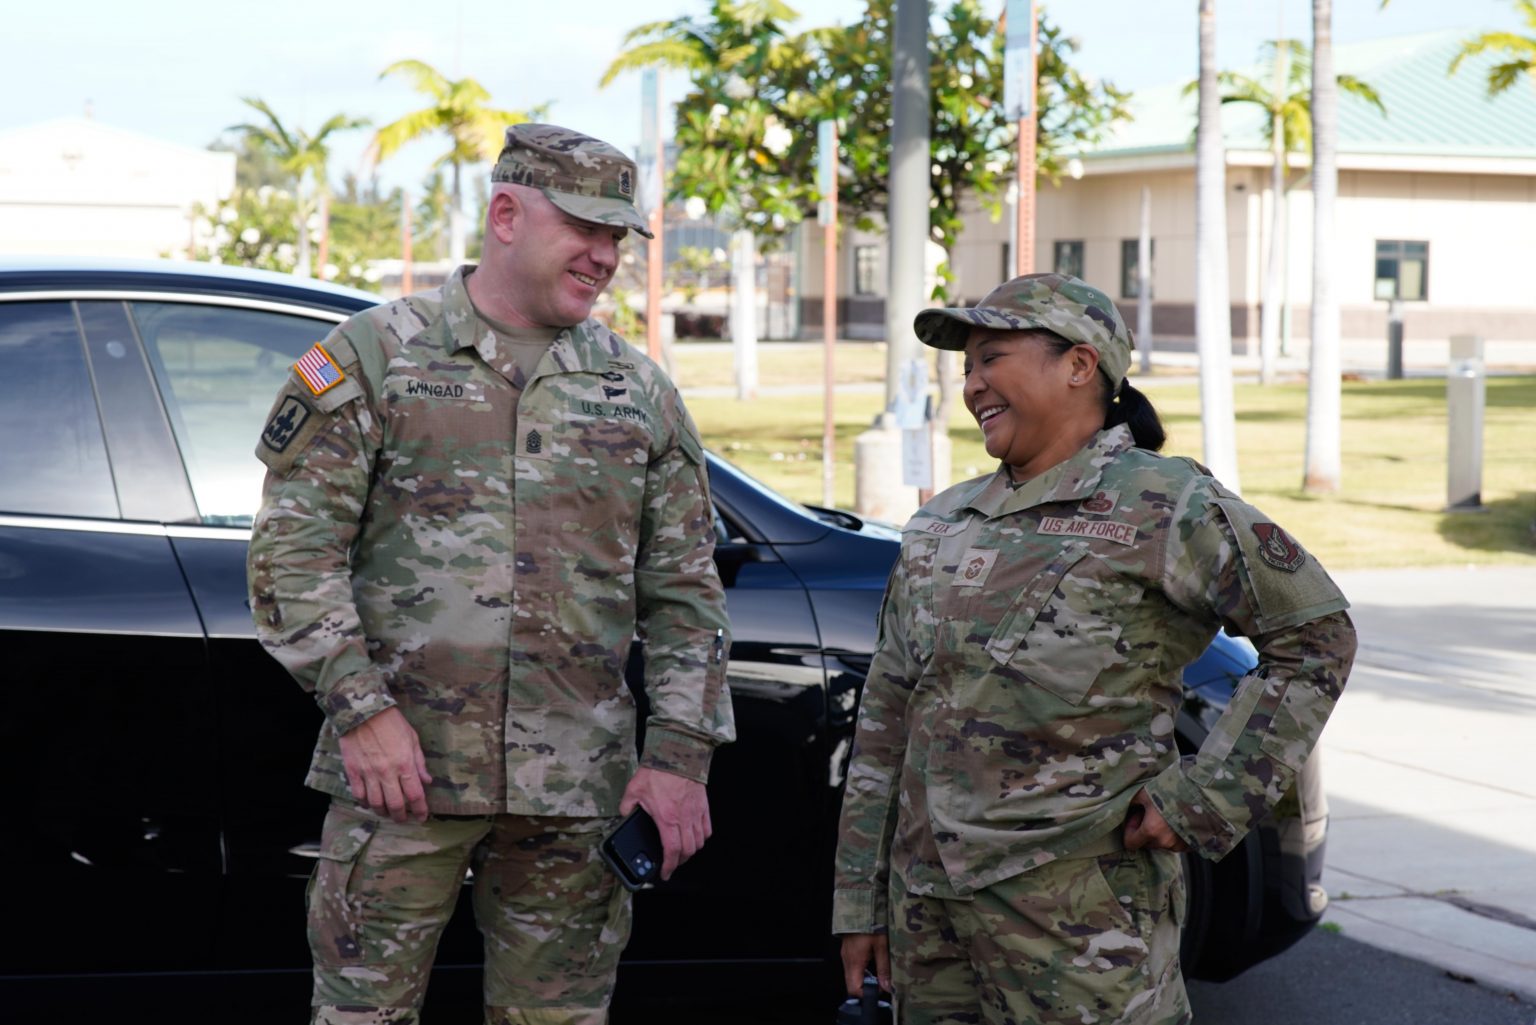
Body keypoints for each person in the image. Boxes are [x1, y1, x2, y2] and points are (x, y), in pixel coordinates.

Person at [248, 123, 734, 1025]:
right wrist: (361, 710)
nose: (604, 255)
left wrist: (678, 756)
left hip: (576, 794)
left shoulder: (638, 392)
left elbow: (685, 594)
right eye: (586, 228)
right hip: (404, 778)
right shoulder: (374, 358)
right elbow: (292, 555)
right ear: (506, 215)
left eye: (618, 237)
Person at [832, 273, 1356, 1025]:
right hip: (930, 917)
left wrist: (1204, 799)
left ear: (1080, 365)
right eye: (967, 367)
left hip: (1080, 929)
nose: (972, 385)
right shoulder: (942, 523)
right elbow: (886, 715)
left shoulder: (1166, 504)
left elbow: (1316, 638)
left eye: (991, 358)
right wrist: (860, 896)